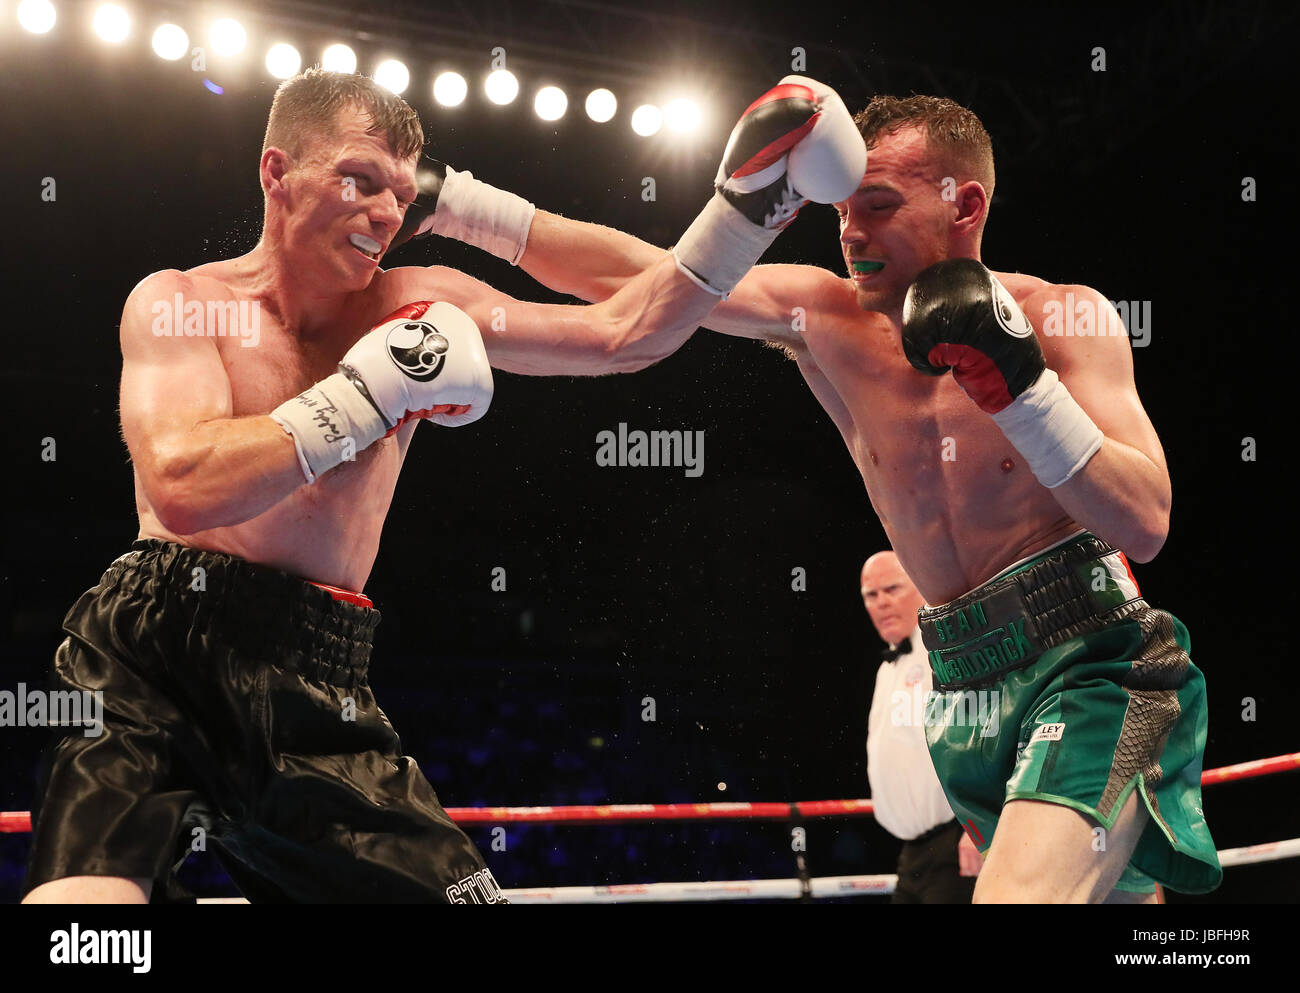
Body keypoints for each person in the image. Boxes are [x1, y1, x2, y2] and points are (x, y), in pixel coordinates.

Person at [21, 69, 864, 903]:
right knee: (86, 918)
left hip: (319, 672)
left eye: (399, 192)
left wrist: (751, 208)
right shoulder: (182, 303)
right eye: (359, 180)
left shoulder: (421, 301)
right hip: (155, 641)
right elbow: (181, 485)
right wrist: (360, 398)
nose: (387, 213)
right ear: (276, 172)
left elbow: (624, 332)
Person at [433, 93, 1222, 903]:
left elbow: (1147, 519)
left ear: (966, 203)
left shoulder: (1063, 315)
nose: (851, 231)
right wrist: (459, 206)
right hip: (962, 684)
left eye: (878, 206)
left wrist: (1022, 388)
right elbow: (640, 275)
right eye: (841, 209)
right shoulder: (824, 316)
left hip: (1093, 665)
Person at [861, 551, 981, 903]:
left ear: (919, 584)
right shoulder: (888, 668)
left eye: (892, 589)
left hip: (956, 844)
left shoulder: (945, 648)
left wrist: (976, 825)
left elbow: (987, 735)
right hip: (912, 853)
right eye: (871, 594)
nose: (882, 602)